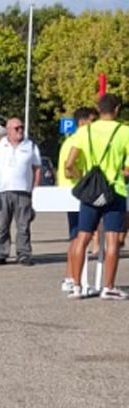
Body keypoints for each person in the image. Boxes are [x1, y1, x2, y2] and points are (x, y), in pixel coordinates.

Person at [64, 91, 129, 299]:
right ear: (117, 109)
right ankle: (108, 287)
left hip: (91, 191)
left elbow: (69, 164)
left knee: (82, 237)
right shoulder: (124, 132)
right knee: (112, 240)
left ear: (99, 110)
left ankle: (76, 285)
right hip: (114, 190)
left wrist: (82, 177)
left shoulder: (85, 132)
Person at [0, 115, 40, 265]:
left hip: (23, 191)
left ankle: (24, 253)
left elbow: (37, 168)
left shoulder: (30, 145)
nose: (20, 130)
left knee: (23, 225)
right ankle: (1, 252)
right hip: (2, 191)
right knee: (2, 225)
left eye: (21, 127)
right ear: (8, 130)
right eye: (16, 128)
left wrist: (35, 189)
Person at [58, 107, 97, 295]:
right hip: (77, 192)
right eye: (93, 120)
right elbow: (68, 168)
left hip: (68, 192)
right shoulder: (81, 140)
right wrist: (84, 179)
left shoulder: (70, 139)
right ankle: (74, 279)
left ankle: (70, 277)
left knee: (75, 236)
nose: (95, 124)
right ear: (83, 122)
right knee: (80, 238)